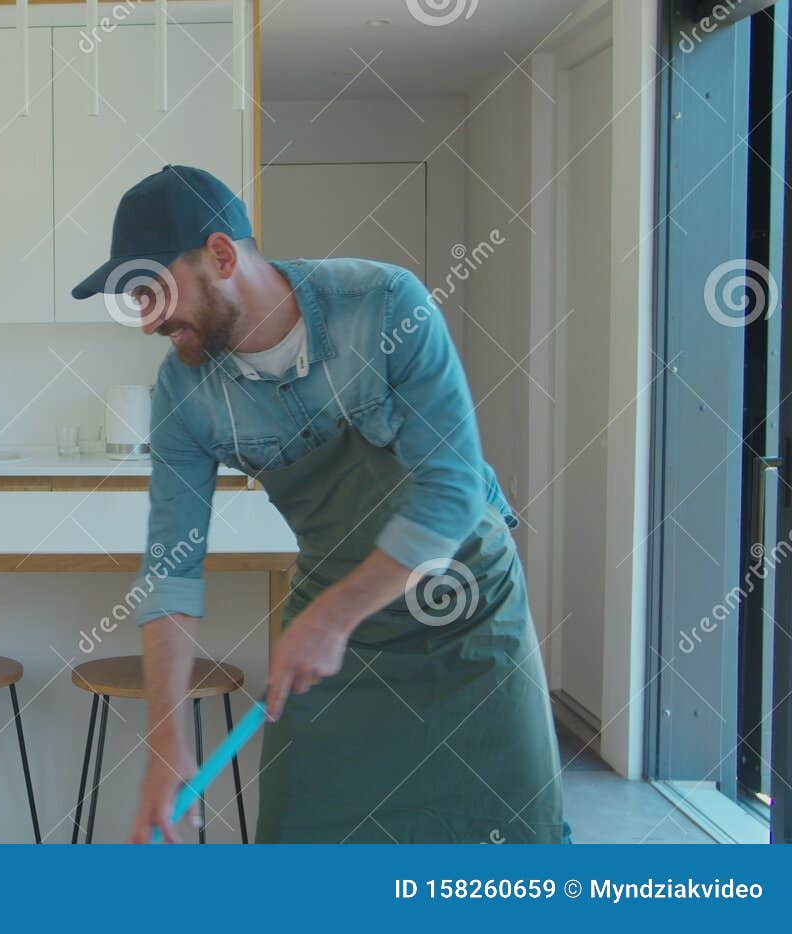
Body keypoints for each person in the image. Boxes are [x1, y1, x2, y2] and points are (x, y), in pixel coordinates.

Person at [72, 165, 563, 844]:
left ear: (221, 256)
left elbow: (450, 494)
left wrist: (331, 619)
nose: (147, 321)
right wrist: (166, 743)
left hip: (467, 609)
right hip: (336, 631)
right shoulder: (185, 397)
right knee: (304, 839)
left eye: (152, 291)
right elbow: (171, 573)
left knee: (507, 841)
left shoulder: (385, 305)